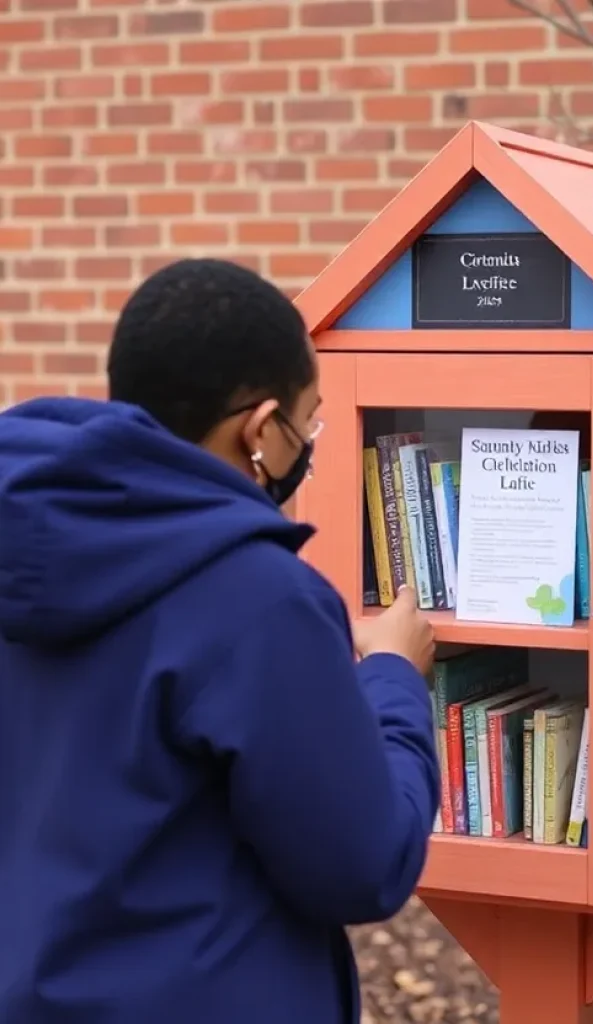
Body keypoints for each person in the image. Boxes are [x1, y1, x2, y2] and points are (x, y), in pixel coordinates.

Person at [0, 258, 440, 1024]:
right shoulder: (258, 598)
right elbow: (363, 865)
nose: (310, 441)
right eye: (312, 420)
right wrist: (396, 677)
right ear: (262, 430)